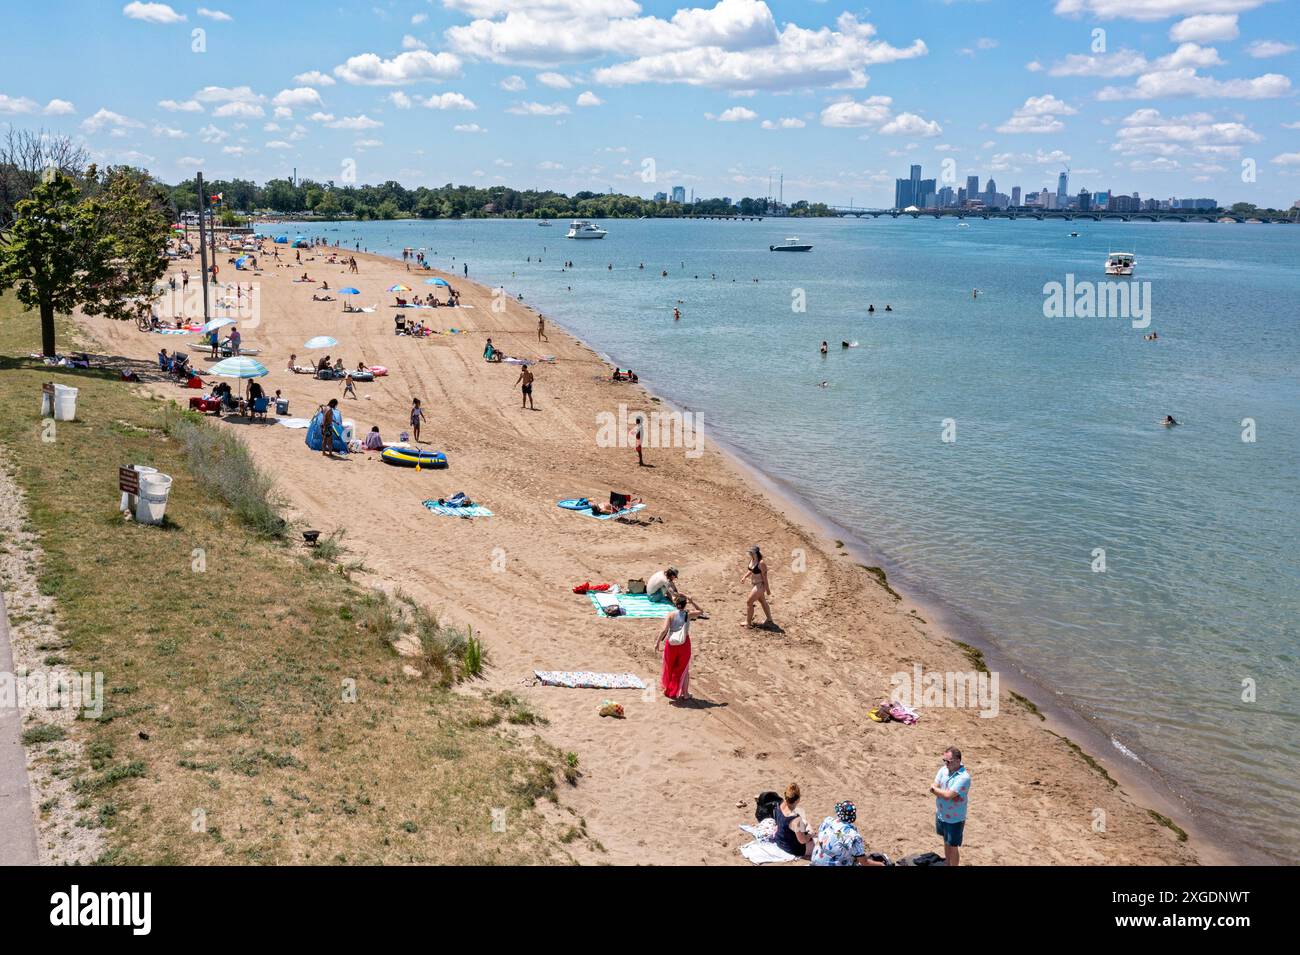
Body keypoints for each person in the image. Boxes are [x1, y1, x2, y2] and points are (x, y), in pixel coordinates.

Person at [655, 595, 702, 702]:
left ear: (676, 604)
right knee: (683, 669)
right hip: (684, 643)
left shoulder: (670, 615)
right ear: (685, 605)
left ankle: (668, 689)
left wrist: (657, 642)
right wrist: (692, 601)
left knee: (669, 666)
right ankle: (685, 694)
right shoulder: (688, 614)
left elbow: (664, 630)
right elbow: (700, 611)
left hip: (671, 643)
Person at [930, 746, 970, 866]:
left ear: (958, 761)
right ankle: (947, 863)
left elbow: (947, 795)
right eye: (944, 760)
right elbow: (934, 785)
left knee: (953, 846)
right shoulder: (943, 770)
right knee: (946, 841)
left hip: (955, 818)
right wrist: (943, 792)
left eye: (949, 761)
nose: (946, 763)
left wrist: (937, 791)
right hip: (941, 814)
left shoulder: (964, 777)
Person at [811, 801, 885, 866]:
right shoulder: (854, 836)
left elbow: (821, 837)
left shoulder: (828, 821)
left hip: (815, 861)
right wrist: (881, 865)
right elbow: (864, 863)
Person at [773, 784, 813, 859]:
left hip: (779, 840)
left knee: (804, 822)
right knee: (818, 843)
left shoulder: (780, 804)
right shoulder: (796, 819)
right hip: (792, 849)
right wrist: (810, 835)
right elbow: (802, 841)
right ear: (798, 799)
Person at [743, 545, 774, 628]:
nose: (750, 554)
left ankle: (748, 623)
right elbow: (751, 570)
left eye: (752, 553)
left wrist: (767, 589)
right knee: (762, 601)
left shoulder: (761, 563)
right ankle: (769, 619)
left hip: (760, 585)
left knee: (749, 602)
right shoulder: (753, 560)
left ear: (756, 553)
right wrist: (745, 577)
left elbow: (765, 578)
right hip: (755, 584)